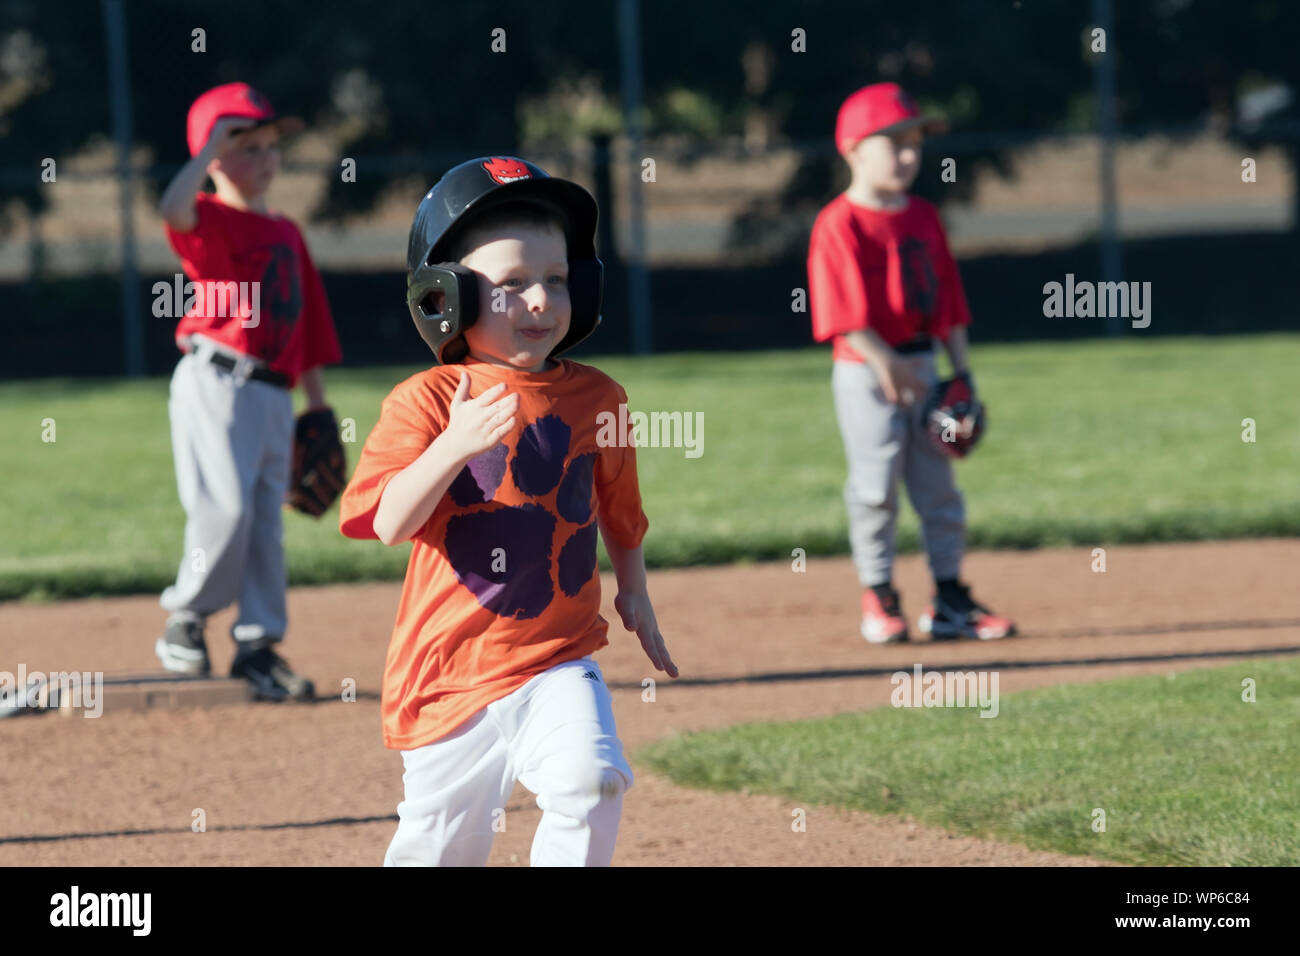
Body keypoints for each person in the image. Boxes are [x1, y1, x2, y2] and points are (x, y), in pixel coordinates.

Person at [339, 156, 678, 866]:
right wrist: (453, 446)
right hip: (449, 675)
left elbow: (620, 508)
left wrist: (636, 590)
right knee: (439, 851)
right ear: (447, 297)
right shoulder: (427, 401)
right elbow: (387, 520)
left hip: (558, 657)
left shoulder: (600, 398)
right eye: (512, 284)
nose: (540, 302)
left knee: (592, 782)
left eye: (556, 280)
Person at [807, 82, 1016, 644]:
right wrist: (884, 365)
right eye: (893, 143)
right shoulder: (838, 223)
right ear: (852, 148)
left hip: (923, 368)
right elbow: (840, 313)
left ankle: (949, 599)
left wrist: (962, 374)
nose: (908, 155)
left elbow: (948, 303)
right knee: (875, 487)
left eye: (914, 144)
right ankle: (879, 595)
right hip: (864, 371)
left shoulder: (923, 215)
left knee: (938, 489)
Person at [155, 82, 342, 697]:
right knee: (225, 505)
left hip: (273, 392)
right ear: (212, 157)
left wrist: (316, 406)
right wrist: (209, 145)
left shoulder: (288, 231)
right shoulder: (209, 219)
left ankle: (258, 645)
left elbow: (309, 325)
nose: (264, 159)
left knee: (265, 520)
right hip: (217, 379)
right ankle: (186, 619)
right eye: (246, 147)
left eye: (269, 147)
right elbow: (171, 207)